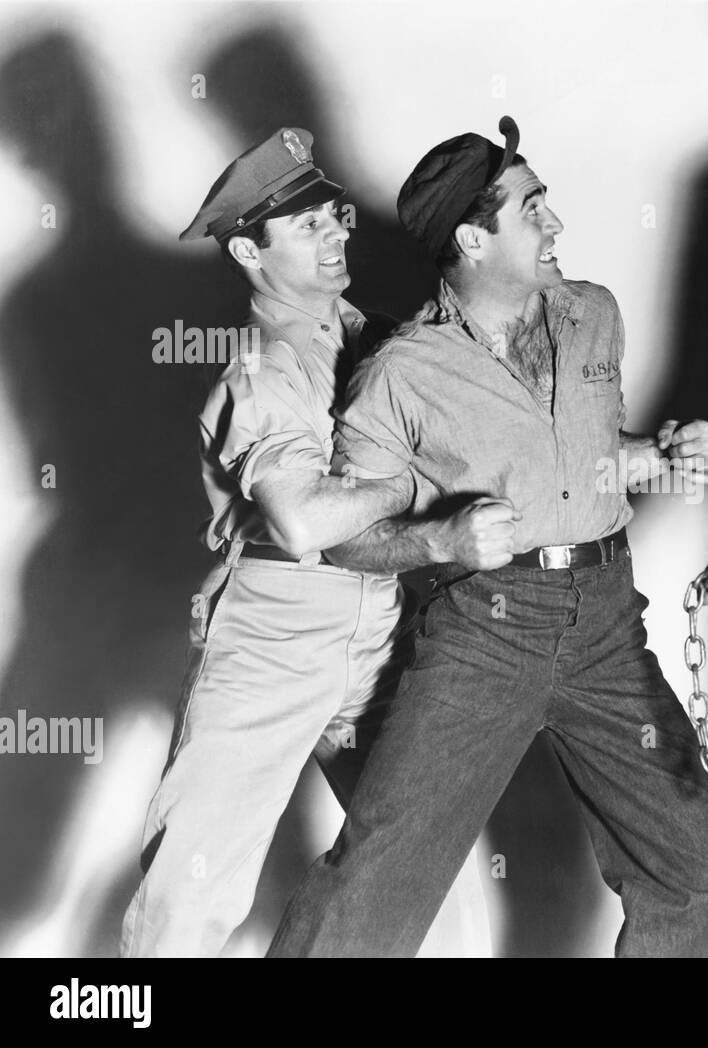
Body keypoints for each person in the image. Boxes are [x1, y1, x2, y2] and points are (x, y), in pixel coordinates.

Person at [267, 117, 708, 958]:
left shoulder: (594, 314)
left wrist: (656, 458)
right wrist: (440, 540)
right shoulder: (401, 373)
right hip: (484, 636)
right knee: (379, 877)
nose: (555, 224)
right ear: (471, 237)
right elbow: (344, 539)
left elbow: (576, 458)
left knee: (698, 879)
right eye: (533, 209)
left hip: (607, 630)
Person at [121, 127, 487, 956]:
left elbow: (487, 432)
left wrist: (637, 453)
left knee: (422, 862)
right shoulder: (263, 365)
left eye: (335, 218)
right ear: (249, 248)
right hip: (276, 630)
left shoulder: (372, 336)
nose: (334, 239)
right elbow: (305, 522)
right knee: (193, 890)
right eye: (307, 227)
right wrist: (410, 486)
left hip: (379, 625)